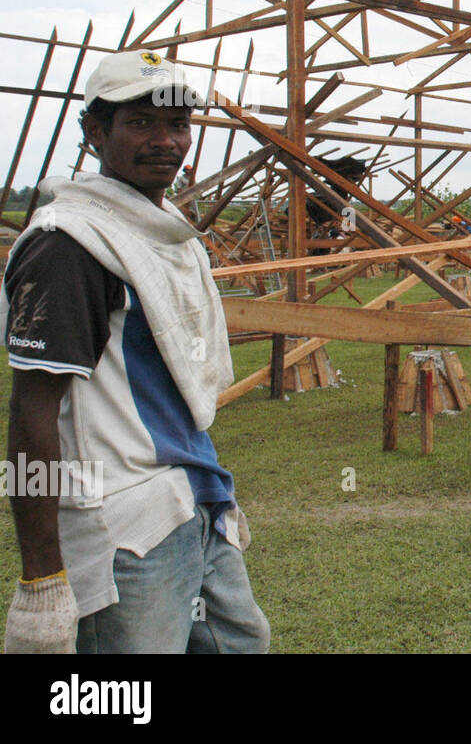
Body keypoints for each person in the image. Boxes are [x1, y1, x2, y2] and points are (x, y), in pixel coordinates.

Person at [1, 50, 270, 654]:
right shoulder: (70, 244)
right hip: (120, 519)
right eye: (141, 123)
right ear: (95, 132)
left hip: (193, 495)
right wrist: (43, 578)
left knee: (242, 644)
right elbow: (31, 410)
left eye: (176, 125)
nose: (165, 141)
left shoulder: (162, 229)